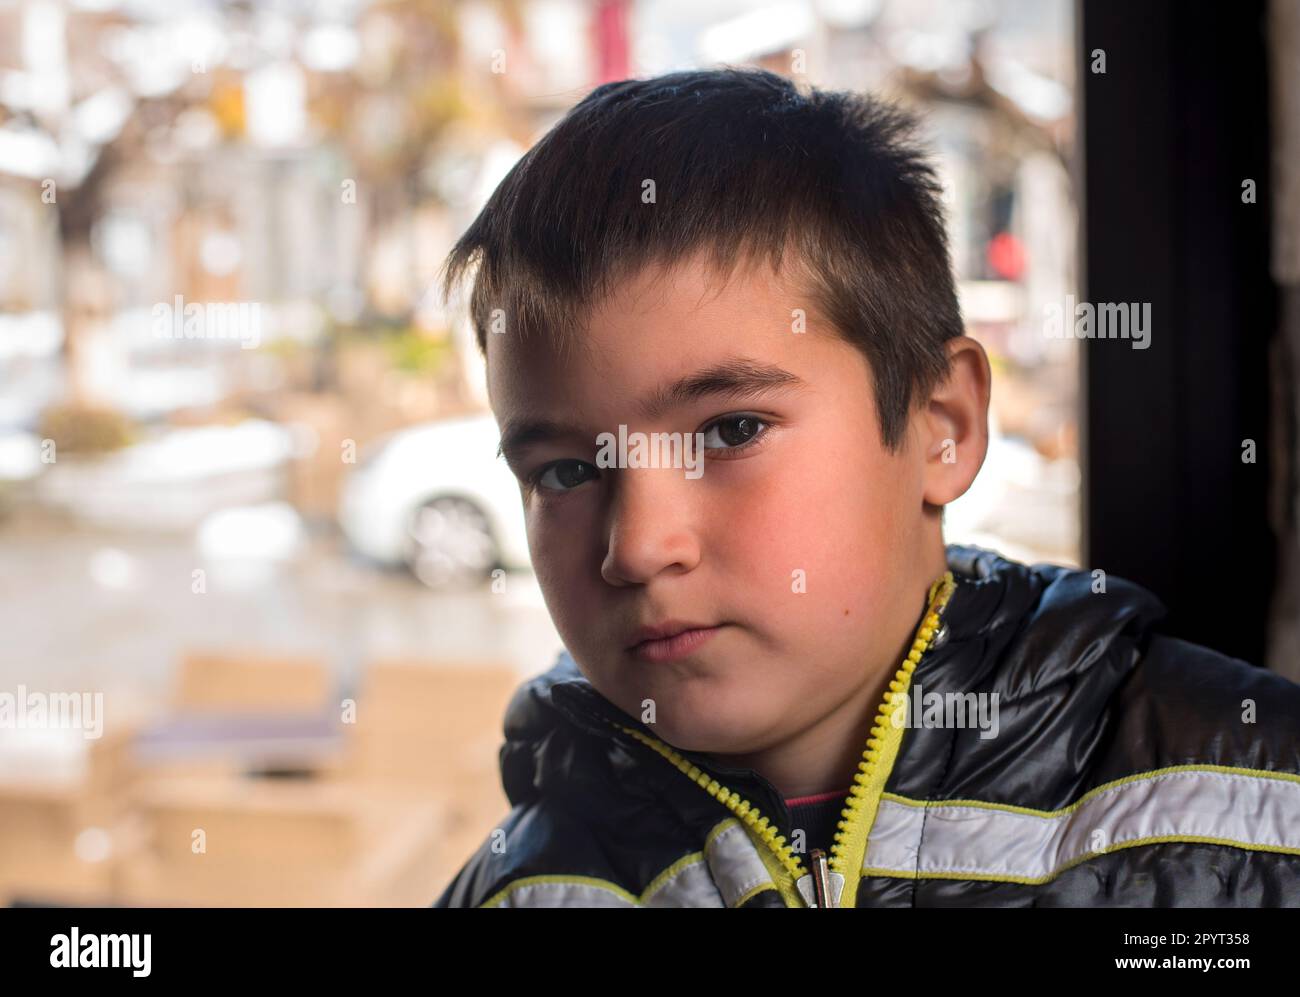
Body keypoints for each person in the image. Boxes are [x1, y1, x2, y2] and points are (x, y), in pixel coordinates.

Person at [431, 67, 1300, 907]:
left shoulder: (1248, 807)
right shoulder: (530, 888)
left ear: (941, 424)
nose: (639, 547)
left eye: (731, 430)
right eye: (568, 471)